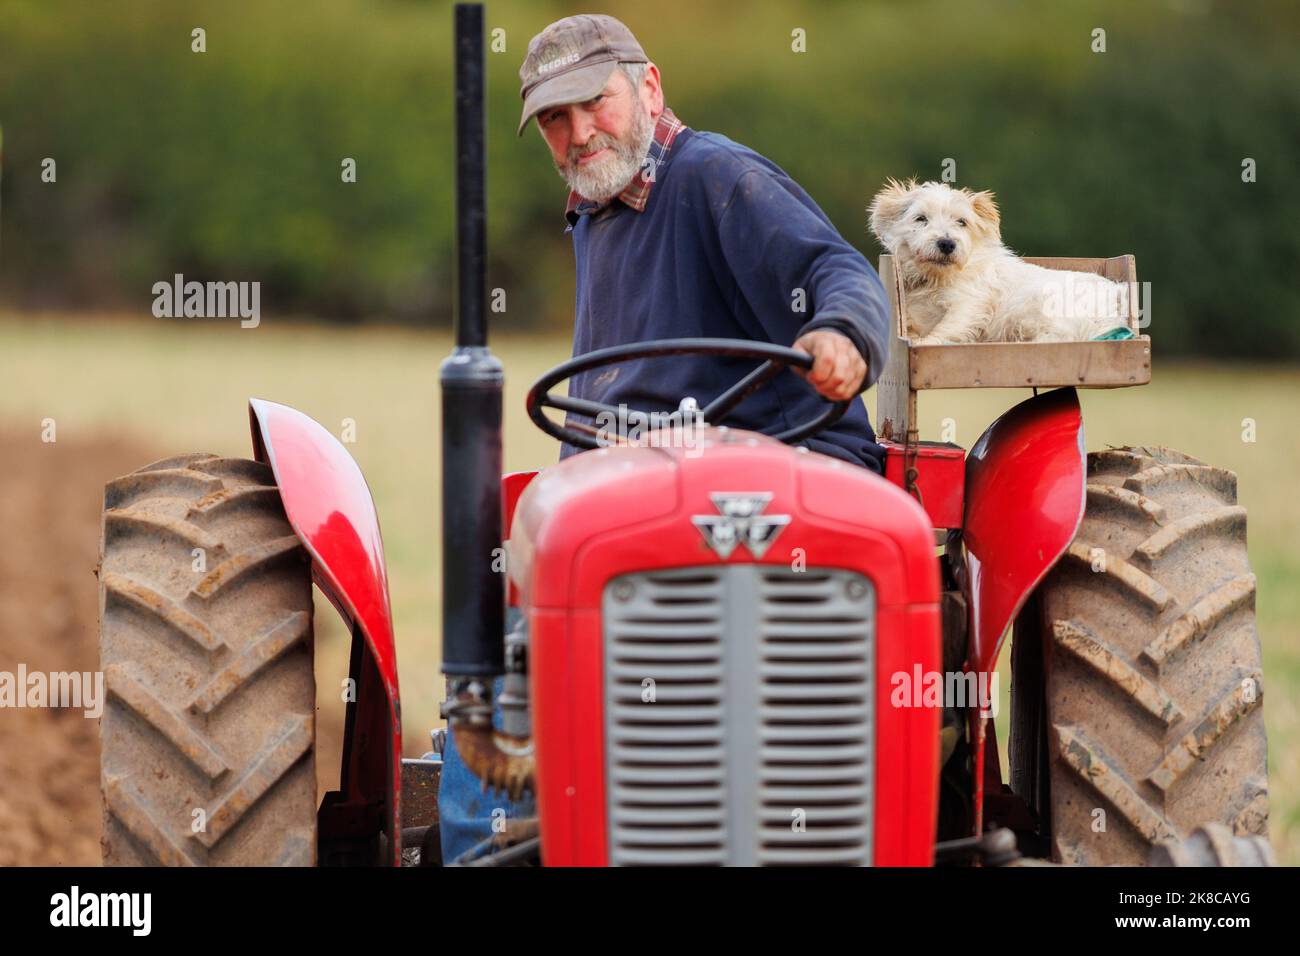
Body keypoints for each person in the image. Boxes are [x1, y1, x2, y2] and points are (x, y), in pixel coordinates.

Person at [439, 12, 892, 864]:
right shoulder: (598, 210)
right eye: (554, 121)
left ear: (648, 86)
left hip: (766, 490)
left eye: (592, 105)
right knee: (494, 691)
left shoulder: (714, 176)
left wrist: (841, 337)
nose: (577, 135)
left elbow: (837, 271)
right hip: (637, 500)